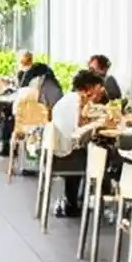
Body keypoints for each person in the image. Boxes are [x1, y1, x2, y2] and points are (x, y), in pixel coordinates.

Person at [50, 70, 108, 217]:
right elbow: (77, 134)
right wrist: (98, 124)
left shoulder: (70, 99)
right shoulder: (74, 103)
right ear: (88, 89)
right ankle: (101, 200)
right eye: (98, 89)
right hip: (64, 156)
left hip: (59, 151)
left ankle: (76, 200)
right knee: (104, 156)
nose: (100, 93)